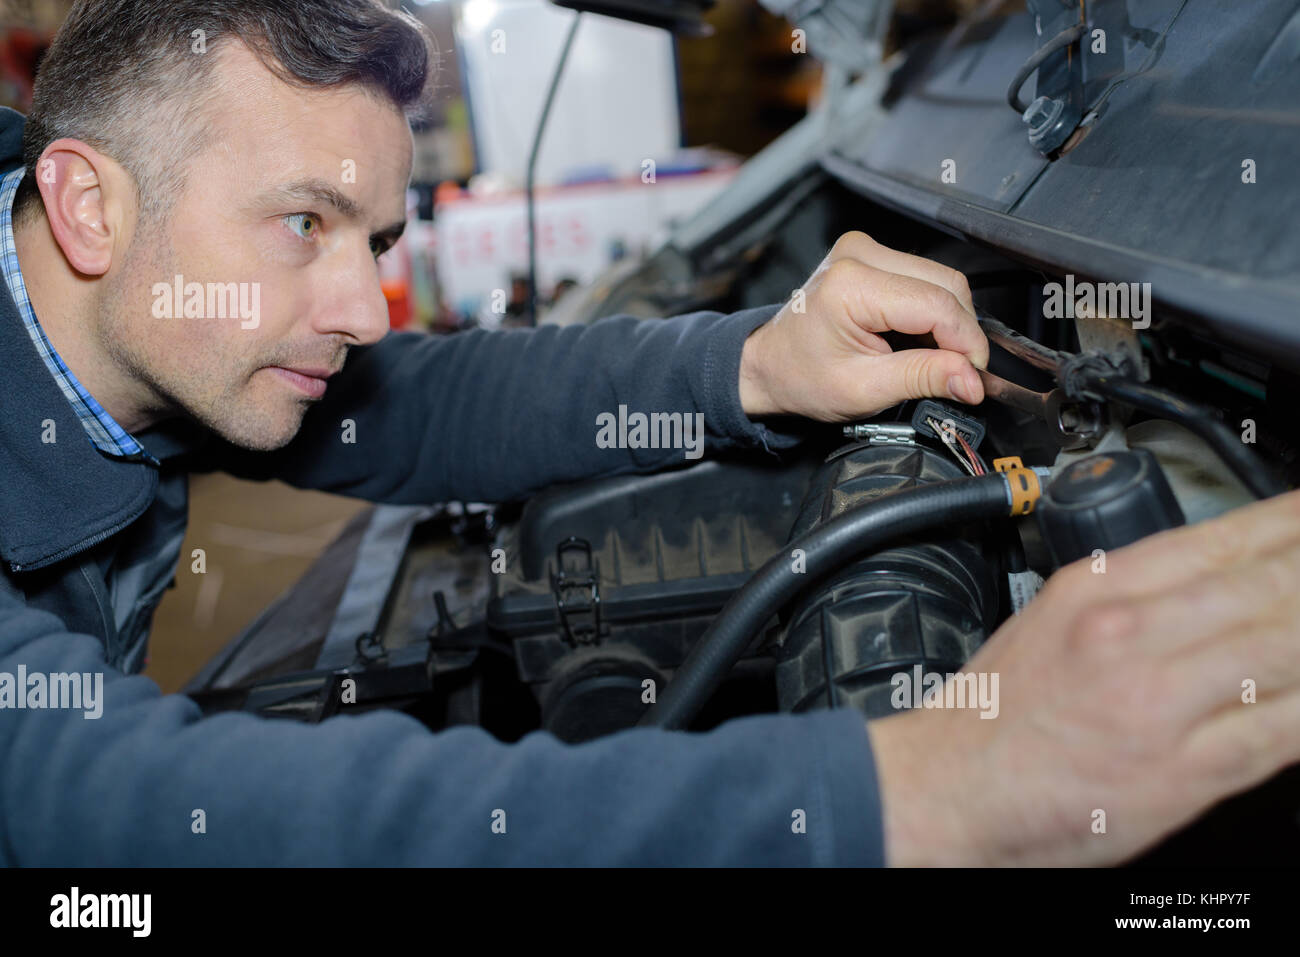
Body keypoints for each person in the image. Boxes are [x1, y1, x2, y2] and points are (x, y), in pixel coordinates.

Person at [0, 0, 1296, 867]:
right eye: (302, 224)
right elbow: (116, 806)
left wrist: (753, 364)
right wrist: (934, 780)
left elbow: (421, 402)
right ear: (87, 207)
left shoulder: (145, 337)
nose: (358, 307)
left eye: (380, 240)